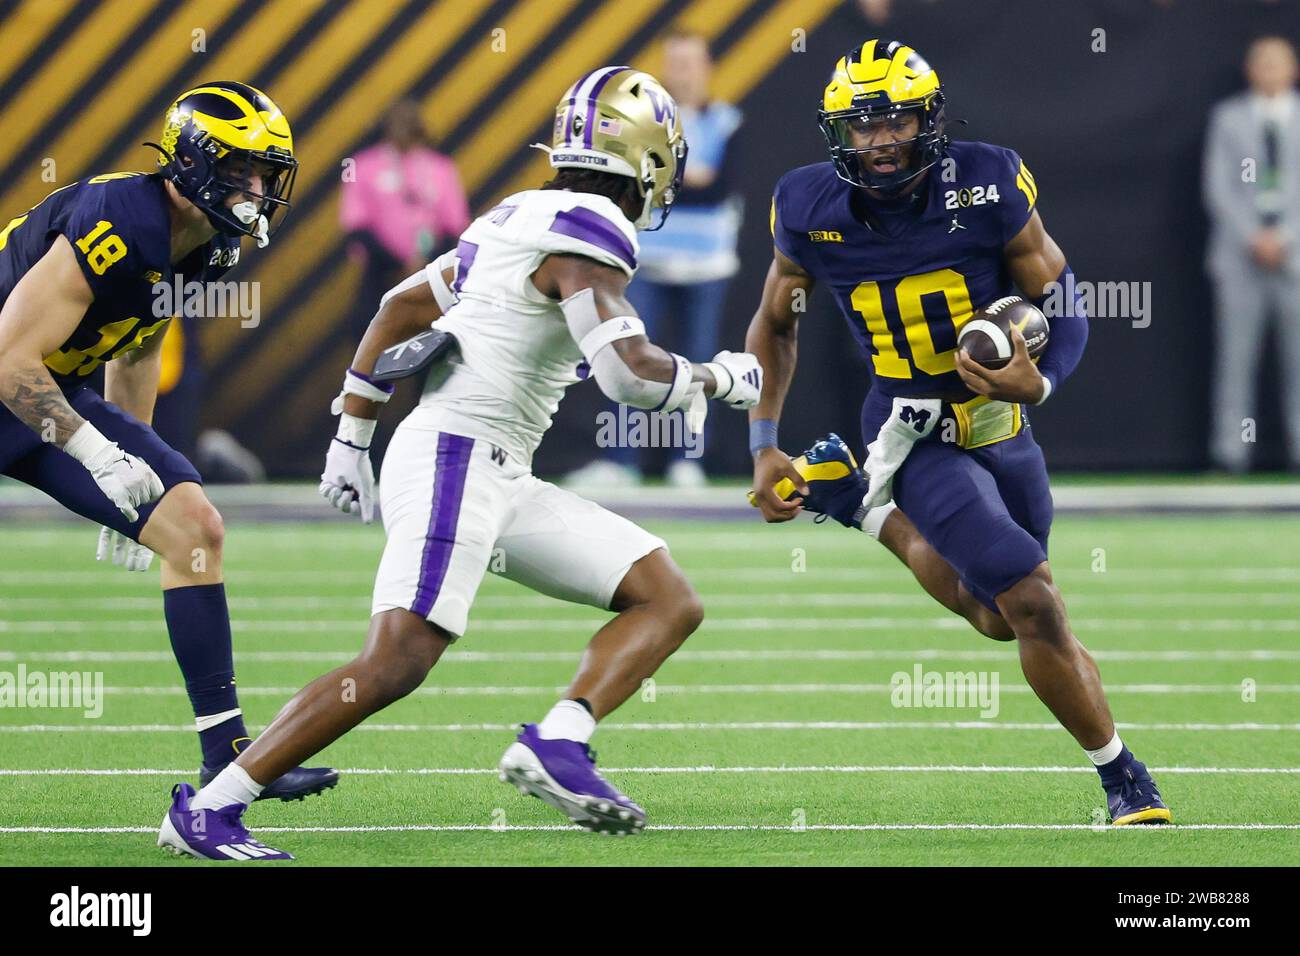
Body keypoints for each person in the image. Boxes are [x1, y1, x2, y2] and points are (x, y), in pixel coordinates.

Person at [159, 66, 763, 861]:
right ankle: (211, 807)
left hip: (497, 469)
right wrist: (717, 379)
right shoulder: (586, 225)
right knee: (397, 660)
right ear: (649, 155)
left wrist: (354, 432)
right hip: (457, 455)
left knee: (666, 597)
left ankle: (559, 742)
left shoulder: (517, 214)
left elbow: (401, 306)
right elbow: (626, 375)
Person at [746, 40, 1171, 826]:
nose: (876, 142)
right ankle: (1125, 780)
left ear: (929, 117)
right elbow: (777, 322)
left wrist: (1040, 380)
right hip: (913, 430)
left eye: (893, 120)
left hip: (1004, 424)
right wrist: (763, 438)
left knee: (996, 616)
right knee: (1035, 601)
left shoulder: (987, 180)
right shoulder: (807, 206)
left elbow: (1059, 289)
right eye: (858, 126)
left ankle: (857, 505)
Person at [0, 82, 336, 802]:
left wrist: (135, 463)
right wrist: (96, 453)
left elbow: (137, 350)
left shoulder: (206, 241)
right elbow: (10, 362)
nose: (256, 190)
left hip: (50, 393)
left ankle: (228, 755)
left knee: (193, 526)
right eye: (242, 169)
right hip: (17, 374)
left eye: (265, 175)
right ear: (190, 162)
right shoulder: (118, 217)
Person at [565, 30, 744, 489]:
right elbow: (635, 182)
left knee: (699, 361)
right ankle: (619, 461)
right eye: (674, 64)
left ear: (707, 69)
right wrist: (689, 179)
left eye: (690, 64)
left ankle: (690, 460)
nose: (681, 74)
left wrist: (667, 178)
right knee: (624, 353)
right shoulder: (644, 123)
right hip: (644, 261)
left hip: (707, 267)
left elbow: (720, 189)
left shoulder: (727, 122)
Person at [1203, 35, 1300, 472]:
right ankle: (1231, 455)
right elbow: (1218, 187)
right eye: (1261, 63)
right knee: (1235, 359)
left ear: (1292, 69)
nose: (1270, 71)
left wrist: (1286, 237)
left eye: (1277, 63)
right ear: (1250, 70)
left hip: (1295, 258)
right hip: (1240, 259)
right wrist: (1253, 237)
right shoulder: (1228, 119)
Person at [341, 99, 470, 341]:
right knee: (365, 337)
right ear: (387, 126)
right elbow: (356, 226)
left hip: (432, 272)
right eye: (398, 123)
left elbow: (454, 227)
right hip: (382, 271)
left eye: (409, 123)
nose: (404, 128)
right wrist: (398, 263)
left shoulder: (441, 168)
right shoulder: (363, 165)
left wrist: (425, 263)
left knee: (438, 342)